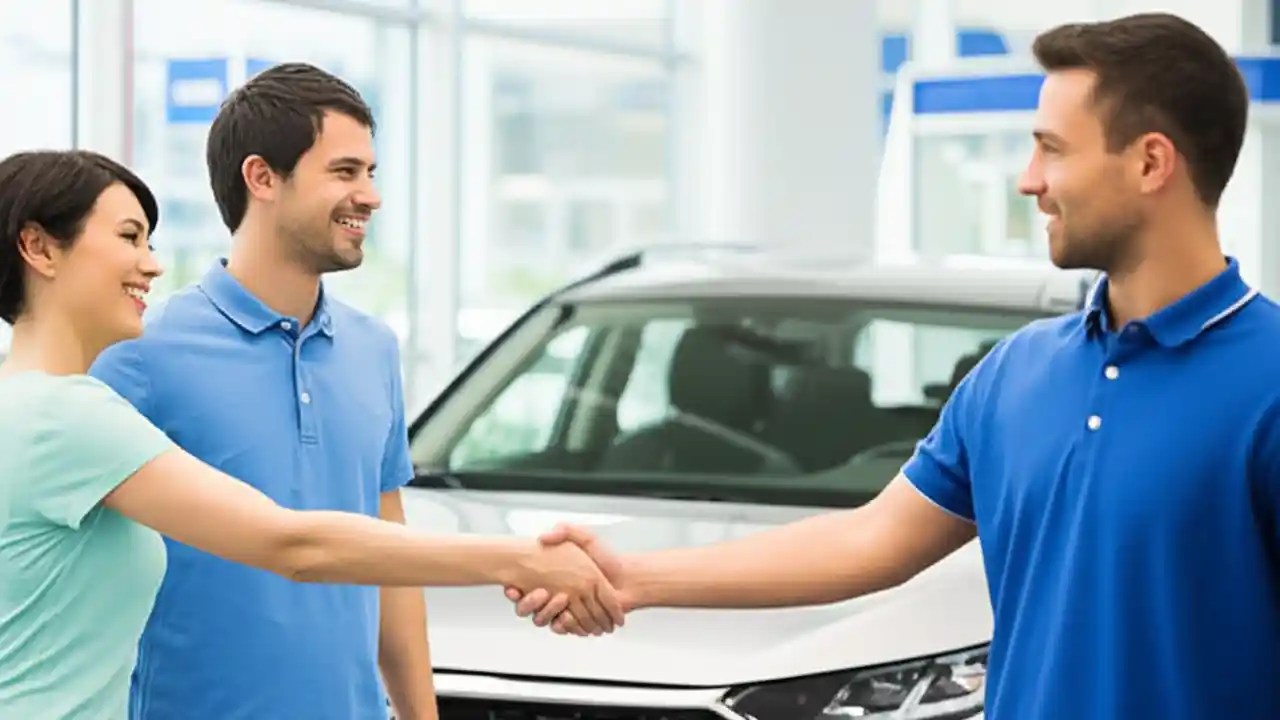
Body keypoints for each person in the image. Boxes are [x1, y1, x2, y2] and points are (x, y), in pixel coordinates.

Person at [508, 12, 1280, 720]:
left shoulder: (1267, 382)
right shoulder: (1013, 376)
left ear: (1151, 163)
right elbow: (867, 543)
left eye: (1051, 147)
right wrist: (633, 579)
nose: (1027, 179)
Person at [0, 149, 622, 719]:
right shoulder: (68, 417)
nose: (153, 263)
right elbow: (292, 544)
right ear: (40, 248)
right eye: (129, 237)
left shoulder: (26, 407)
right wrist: (517, 557)